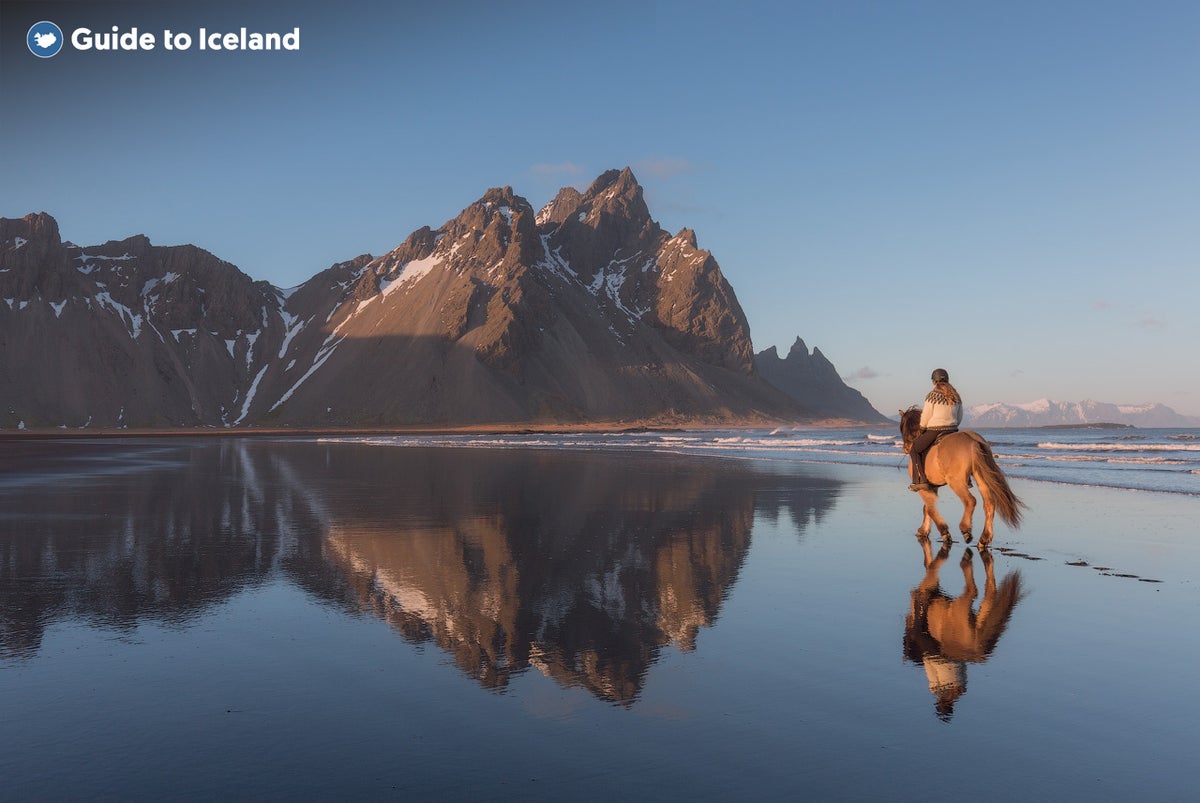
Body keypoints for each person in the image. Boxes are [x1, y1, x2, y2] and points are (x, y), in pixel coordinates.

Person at [909, 368, 962, 492]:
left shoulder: (932, 395)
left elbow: (926, 415)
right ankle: (967, 479)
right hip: (953, 431)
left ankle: (920, 481)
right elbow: (959, 417)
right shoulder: (956, 397)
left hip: (935, 430)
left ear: (934, 381)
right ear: (947, 380)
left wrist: (922, 429)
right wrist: (952, 425)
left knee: (914, 449)